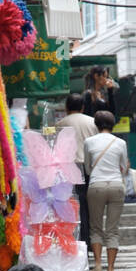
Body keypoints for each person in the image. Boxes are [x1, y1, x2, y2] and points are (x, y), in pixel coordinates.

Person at [84, 110, 129, 271]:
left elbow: (88, 169)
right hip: (116, 185)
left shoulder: (89, 142)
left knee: (95, 227)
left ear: (96, 124)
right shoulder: (120, 143)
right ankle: (111, 269)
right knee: (112, 229)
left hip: (96, 185)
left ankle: (97, 265)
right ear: (113, 124)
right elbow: (123, 167)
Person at [60, 92, 97, 245]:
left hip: (69, 169)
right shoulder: (93, 122)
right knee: (90, 206)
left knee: (75, 205)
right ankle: (90, 240)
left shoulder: (60, 124)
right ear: (82, 107)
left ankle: (80, 240)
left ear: (67, 107)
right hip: (90, 167)